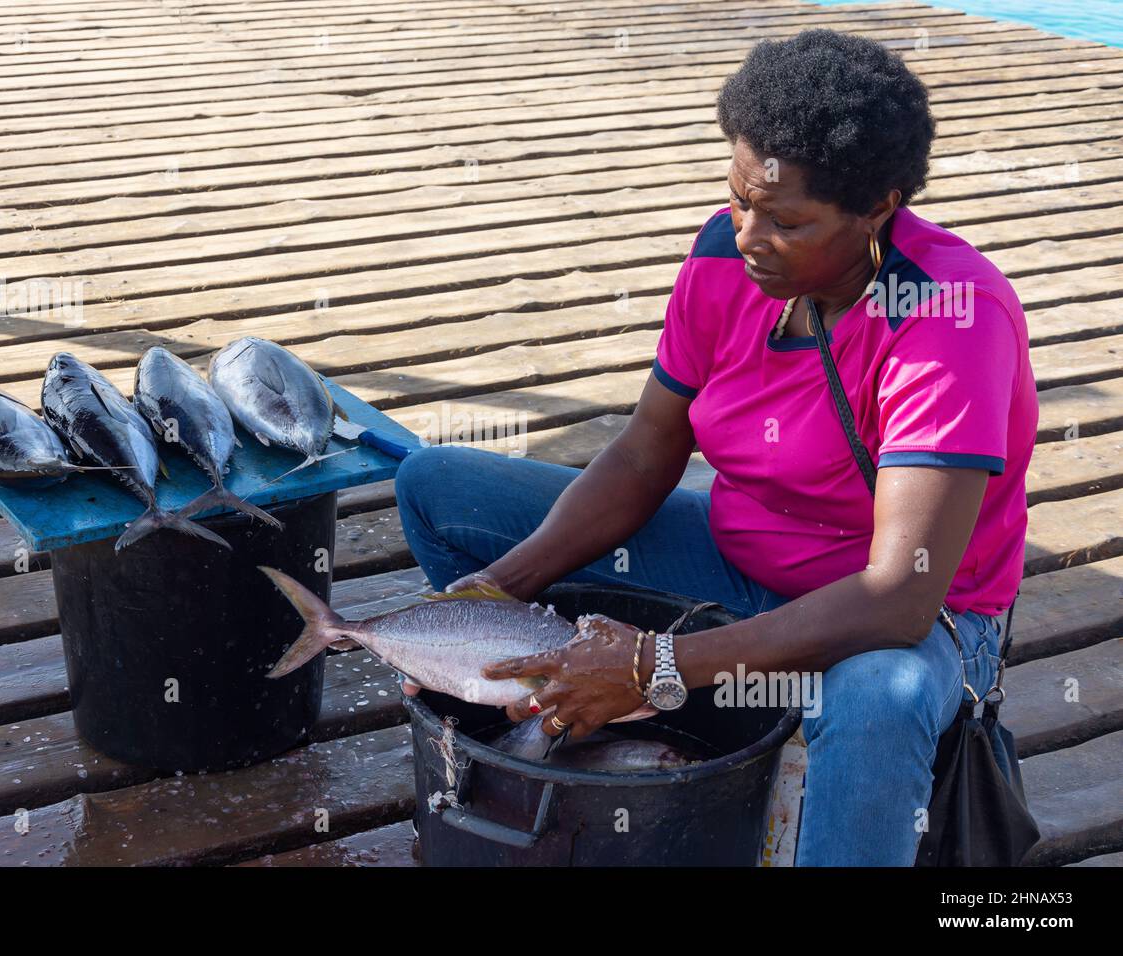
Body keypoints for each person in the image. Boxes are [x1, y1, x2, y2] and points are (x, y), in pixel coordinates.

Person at [393, 28, 1037, 866]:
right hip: (738, 563)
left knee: (880, 693)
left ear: (879, 207)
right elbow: (641, 456)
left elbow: (896, 599)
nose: (747, 235)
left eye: (786, 220)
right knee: (437, 486)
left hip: (905, 616)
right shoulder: (721, 257)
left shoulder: (948, 316)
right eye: (739, 200)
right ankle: (548, 706)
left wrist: (657, 663)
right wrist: (493, 591)